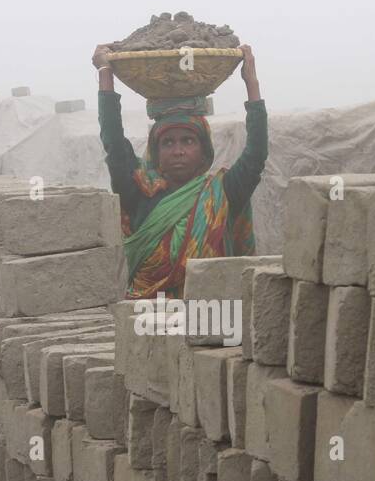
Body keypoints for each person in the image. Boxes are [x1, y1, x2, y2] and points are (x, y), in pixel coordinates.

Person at [93, 43, 266, 300]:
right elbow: (115, 144)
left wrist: (251, 84)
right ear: (156, 151)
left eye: (188, 141)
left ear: (204, 150)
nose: (178, 150)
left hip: (212, 323)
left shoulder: (223, 192)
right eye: (168, 142)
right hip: (149, 322)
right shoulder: (141, 192)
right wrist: (105, 72)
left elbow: (256, 155)